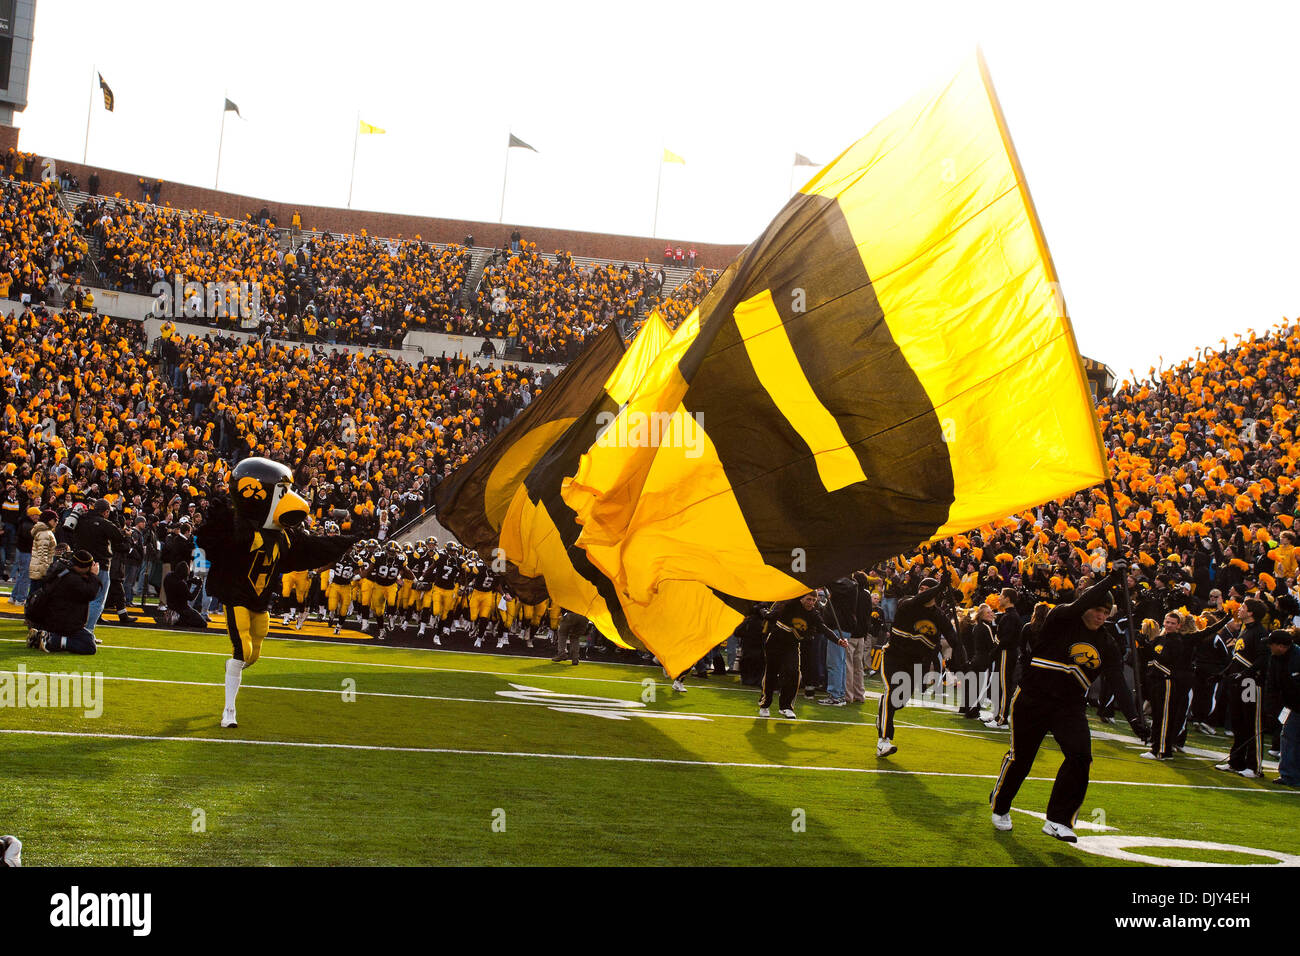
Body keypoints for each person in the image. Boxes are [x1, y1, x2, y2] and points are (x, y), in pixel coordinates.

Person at [989, 565, 1150, 842]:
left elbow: (1118, 683)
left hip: (1069, 706)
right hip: (1032, 699)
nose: (1100, 616)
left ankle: (1058, 819)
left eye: (1106, 611)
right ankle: (1001, 805)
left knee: (1080, 757)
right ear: (1086, 605)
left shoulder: (1107, 643)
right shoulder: (1060, 619)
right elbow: (1080, 603)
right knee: (1022, 759)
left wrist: (1135, 718)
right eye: (1096, 609)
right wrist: (1110, 579)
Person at [876, 577, 956, 756]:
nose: (922, 592)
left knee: (899, 701)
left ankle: (883, 712)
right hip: (894, 656)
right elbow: (920, 598)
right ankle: (883, 741)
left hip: (916, 663)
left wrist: (961, 662)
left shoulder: (939, 616)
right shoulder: (907, 603)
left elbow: (954, 640)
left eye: (927, 589)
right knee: (891, 692)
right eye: (921, 588)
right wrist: (940, 586)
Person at [758, 592, 849, 719]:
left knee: (794, 673)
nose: (811, 602)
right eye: (808, 599)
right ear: (801, 599)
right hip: (775, 642)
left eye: (813, 600)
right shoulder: (789, 604)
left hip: (792, 645)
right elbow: (771, 615)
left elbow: (823, 628)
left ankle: (786, 707)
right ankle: (765, 704)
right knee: (771, 673)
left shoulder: (814, 614)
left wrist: (838, 640)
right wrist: (763, 610)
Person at [1216, 598, 1270, 778]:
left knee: (1252, 724)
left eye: (1244, 607)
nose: (1240, 609)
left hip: (1251, 684)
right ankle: (1236, 762)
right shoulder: (1245, 630)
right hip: (1238, 682)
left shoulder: (1260, 632)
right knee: (1238, 723)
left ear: (1251, 612)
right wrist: (1223, 674)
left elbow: (1263, 659)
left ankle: (1254, 767)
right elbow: (1237, 658)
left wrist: (1246, 673)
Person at [28, 550, 102, 655]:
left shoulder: (63, 572)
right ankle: (51, 640)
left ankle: (39, 637)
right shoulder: (72, 579)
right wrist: (94, 576)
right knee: (88, 645)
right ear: (83, 567)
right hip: (62, 622)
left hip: (49, 619)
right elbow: (90, 593)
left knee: (87, 637)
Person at [72, 498, 127, 632]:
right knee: (97, 600)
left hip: (80, 564)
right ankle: (87, 631)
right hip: (100, 564)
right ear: (106, 512)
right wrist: (115, 518)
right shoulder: (104, 523)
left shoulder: (81, 520)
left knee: (80, 598)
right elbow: (119, 536)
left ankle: (76, 628)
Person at [1266, 629, 1300, 787]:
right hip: (1292, 705)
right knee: (1288, 735)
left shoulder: (1298, 658)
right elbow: (1272, 684)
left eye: (1271, 644)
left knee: (1290, 736)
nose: (1269, 647)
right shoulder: (1275, 658)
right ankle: (1288, 774)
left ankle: (1290, 774)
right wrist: (1271, 709)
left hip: (1296, 703)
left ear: (1281, 646)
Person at [162, 561, 207, 628]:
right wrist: (199, 586)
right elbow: (191, 598)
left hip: (170, 608)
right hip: (182, 610)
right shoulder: (181, 584)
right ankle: (181, 621)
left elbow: (179, 590)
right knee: (203, 623)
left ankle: (177, 619)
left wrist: (189, 582)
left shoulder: (168, 576)